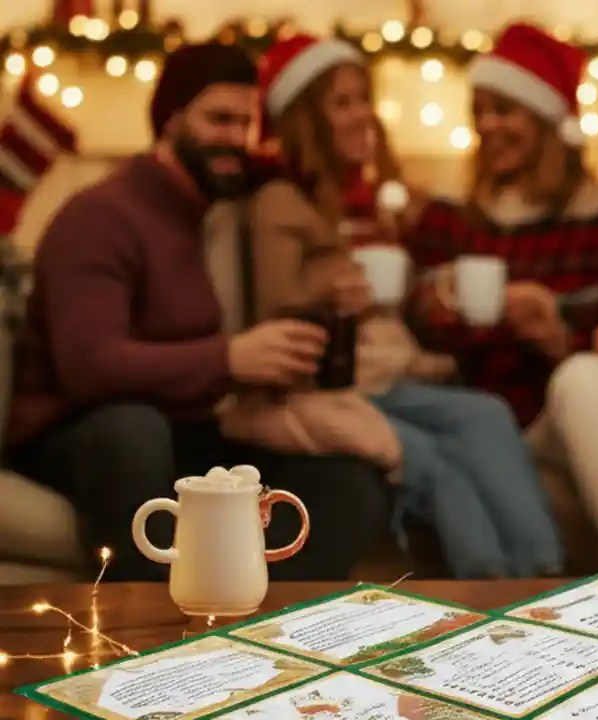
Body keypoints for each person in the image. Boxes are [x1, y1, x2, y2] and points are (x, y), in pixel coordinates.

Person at [5, 44, 386, 582]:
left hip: (180, 431)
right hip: (80, 434)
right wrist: (229, 360)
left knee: (346, 483)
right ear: (171, 121)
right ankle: (148, 617)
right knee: (131, 428)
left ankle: (257, 614)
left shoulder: (200, 213)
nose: (235, 138)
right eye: (218, 119)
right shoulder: (101, 216)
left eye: (246, 123)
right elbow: (90, 366)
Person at [246, 35, 562, 578]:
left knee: (486, 414)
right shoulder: (281, 200)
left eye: (364, 99)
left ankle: (547, 572)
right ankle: (492, 587)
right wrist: (330, 294)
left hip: (383, 376)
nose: (362, 115)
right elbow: (274, 312)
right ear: (306, 119)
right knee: (441, 460)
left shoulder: (367, 200)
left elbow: (403, 299)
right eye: (342, 103)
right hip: (334, 384)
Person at [404, 23, 598, 428]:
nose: (487, 125)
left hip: (558, 418)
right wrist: (439, 301)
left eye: (503, 110)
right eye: (479, 112)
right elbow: (411, 316)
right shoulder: (450, 215)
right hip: (458, 412)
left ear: (545, 123)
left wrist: (556, 334)